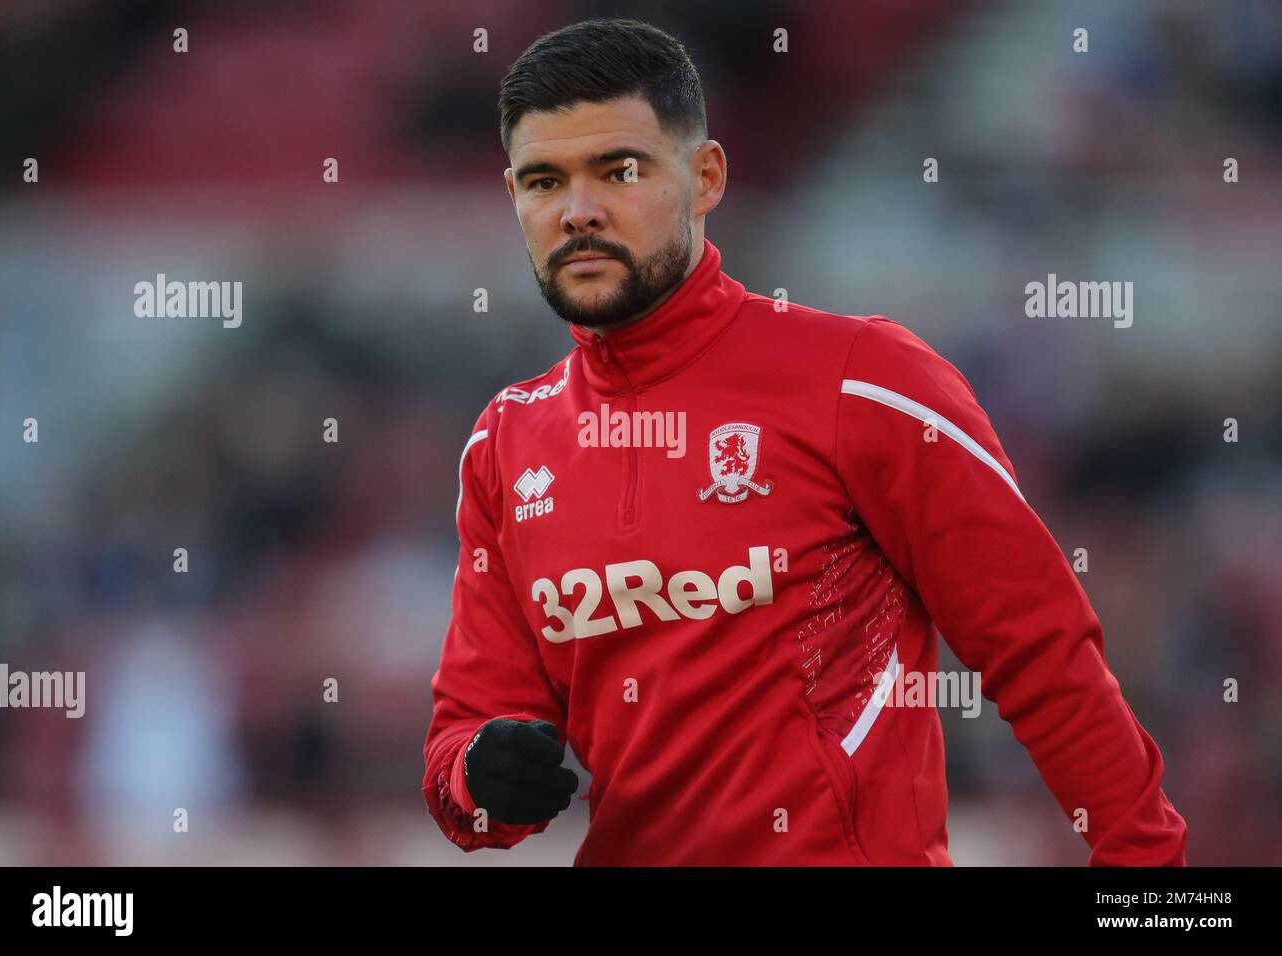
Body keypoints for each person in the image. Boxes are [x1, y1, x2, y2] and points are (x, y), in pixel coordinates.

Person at [422, 17, 1188, 865]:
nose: (578, 211)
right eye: (543, 181)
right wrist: (480, 781)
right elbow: (464, 743)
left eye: (619, 169)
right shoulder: (506, 444)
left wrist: (1148, 877)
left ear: (705, 177)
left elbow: (1043, 655)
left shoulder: (863, 379)